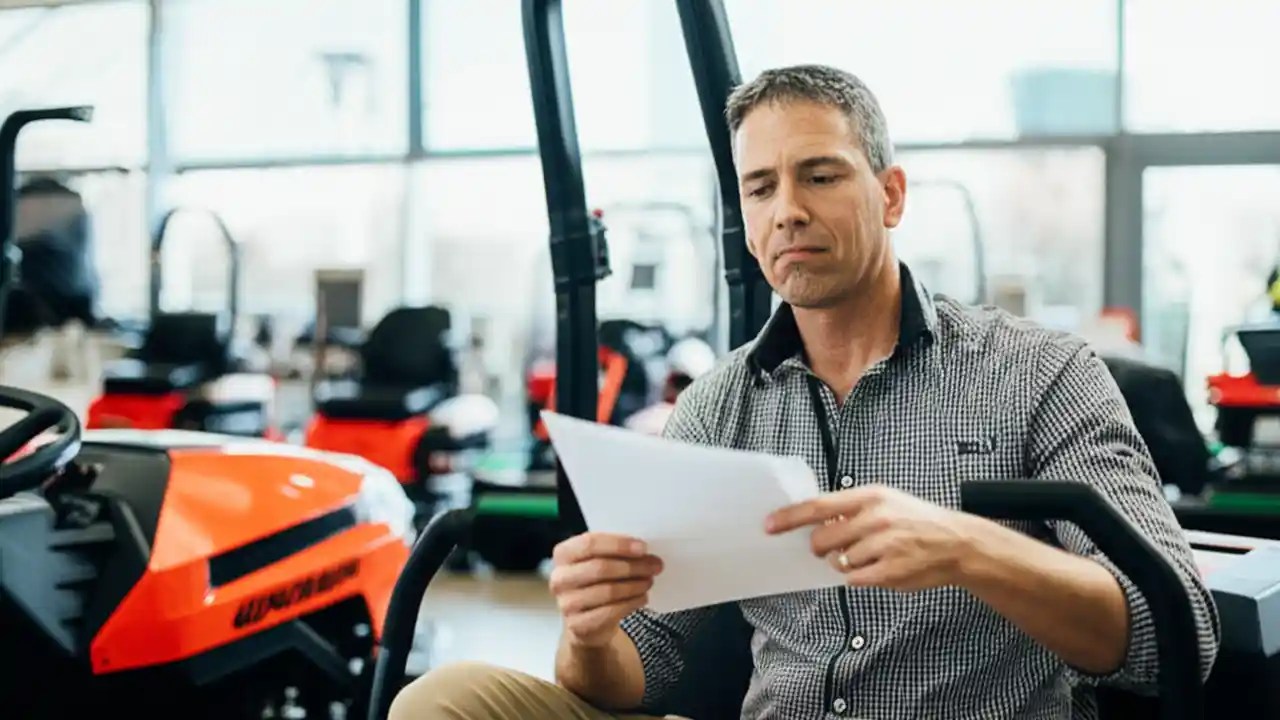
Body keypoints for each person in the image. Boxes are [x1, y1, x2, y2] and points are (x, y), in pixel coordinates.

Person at [389, 64, 1220, 720]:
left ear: (889, 195)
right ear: (747, 223)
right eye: (761, 188)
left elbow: (1173, 633)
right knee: (442, 700)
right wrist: (590, 630)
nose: (787, 211)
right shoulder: (718, 406)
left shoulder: (1040, 374)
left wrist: (967, 549)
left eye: (820, 176)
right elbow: (635, 674)